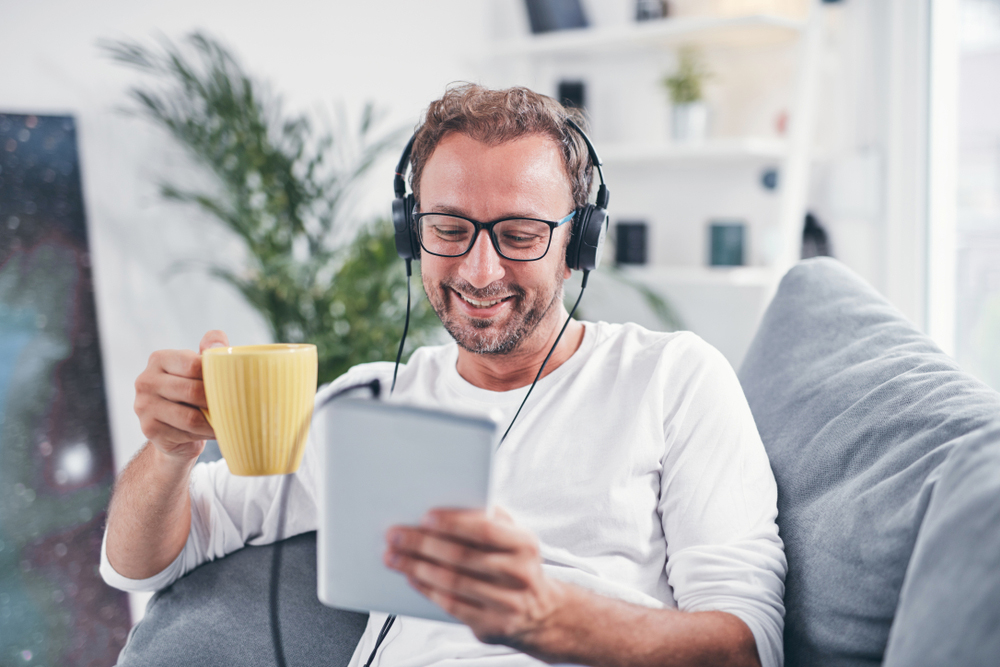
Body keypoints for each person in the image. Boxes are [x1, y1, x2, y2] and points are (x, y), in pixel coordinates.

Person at [102, 84, 786, 667]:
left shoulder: (674, 377)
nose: (479, 271)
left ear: (578, 245)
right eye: (449, 229)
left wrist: (549, 615)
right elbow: (144, 561)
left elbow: (747, 646)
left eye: (519, 235)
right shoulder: (368, 405)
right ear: (412, 234)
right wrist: (169, 452)